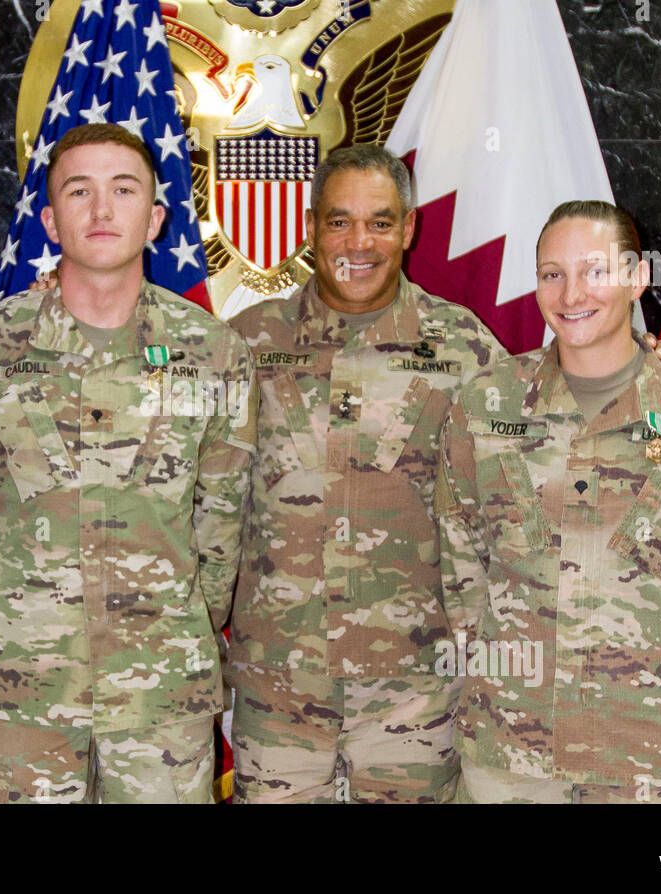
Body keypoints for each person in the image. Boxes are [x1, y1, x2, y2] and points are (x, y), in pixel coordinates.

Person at [0, 123, 257, 803]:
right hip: (29, 690)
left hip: (163, 691)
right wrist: (26, 622)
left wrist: (169, 617)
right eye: (80, 192)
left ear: (156, 217)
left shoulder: (216, 353)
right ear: (49, 219)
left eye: (123, 190)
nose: (102, 210)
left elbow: (223, 528)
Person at [435, 200, 661, 803]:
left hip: (654, 754)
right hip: (513, 752)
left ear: (637, 277)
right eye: (552, 273)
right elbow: (460, 560)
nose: (571, 293)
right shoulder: (485, 406)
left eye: (595, 271)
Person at [224, 144, 505, 803]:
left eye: (380, 222)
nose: (359, 241)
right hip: (279, 688)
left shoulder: (462, 348)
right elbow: (182, 480)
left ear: (409, 228)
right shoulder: (244, 344)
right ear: (308, 225)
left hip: (413, 693)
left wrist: (645, 365)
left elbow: (525, 478)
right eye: (339, 221)